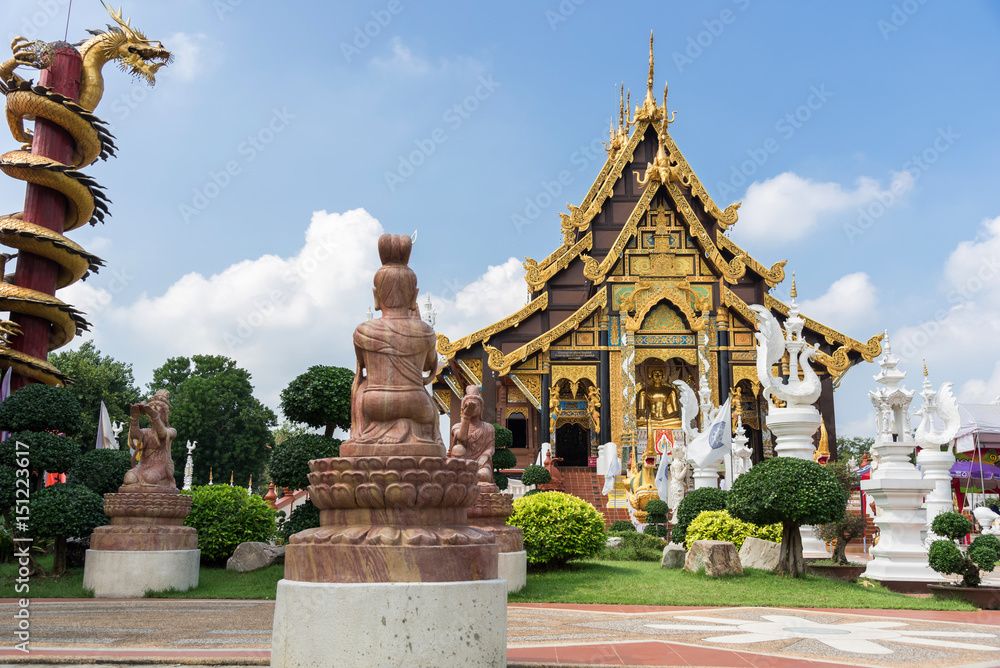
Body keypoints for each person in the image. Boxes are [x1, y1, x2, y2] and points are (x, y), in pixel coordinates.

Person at [341, 234, 443, 456]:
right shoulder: (425, 332)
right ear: (414, 296)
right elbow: (429, 368)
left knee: (364, 388)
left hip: (374, 406)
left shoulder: (363, 332)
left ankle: (363, 441)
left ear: (376, 296)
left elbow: (362, 368)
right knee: (427, 403)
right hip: (417, 406)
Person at [121, 390, 177, 492]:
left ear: (165, 415)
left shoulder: (171, 431)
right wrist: (134, 418)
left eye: (157, 411)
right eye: (150, 412)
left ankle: (162, 484)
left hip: (162, 466)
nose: (151, 414)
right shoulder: (146, 432)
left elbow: (162, 434)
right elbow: (134, 435)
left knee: (150, 478)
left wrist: (155, 416)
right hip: (144, 465)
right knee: (129, 478)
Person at [448, 386, 494, 485]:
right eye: (468, 405)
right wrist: (466, 417)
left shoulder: (488, 427)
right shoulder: (457, 426)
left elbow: (491, 448)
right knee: (458, 448)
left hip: (480, 463)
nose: (472, 408)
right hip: (462, 463)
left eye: (476, 405)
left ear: (482, 408)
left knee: (483, 476)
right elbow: (461, 438)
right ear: (463, 408)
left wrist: (485, 456)